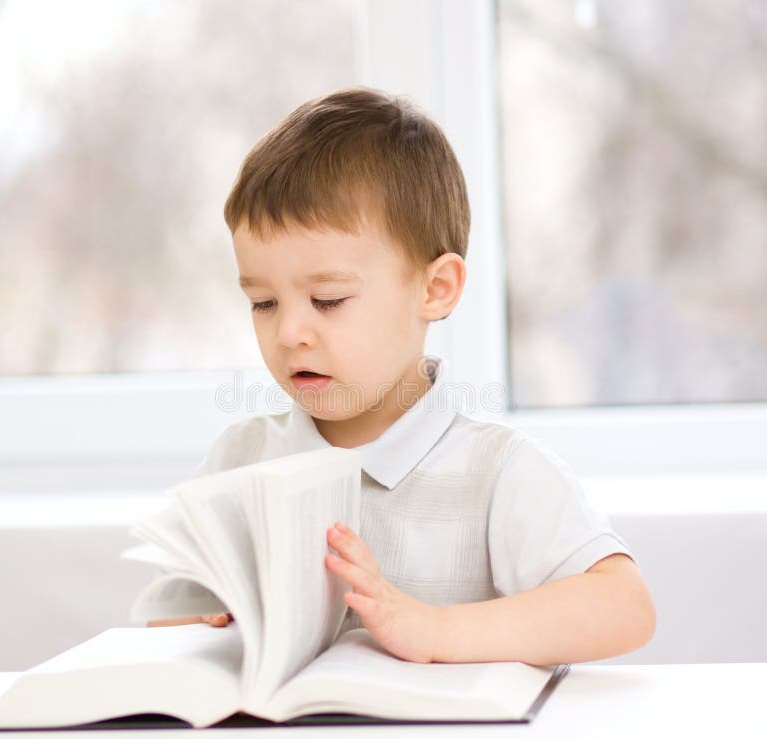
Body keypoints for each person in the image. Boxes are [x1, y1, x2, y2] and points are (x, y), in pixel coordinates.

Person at [149, 86, 656, 665]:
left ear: (434, 290)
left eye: (329, 299)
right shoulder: (240, 458)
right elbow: (171, 611)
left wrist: (436, 631)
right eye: (263, 303)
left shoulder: (497, 472)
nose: (289, 333)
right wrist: (204, 613)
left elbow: (625, 608)